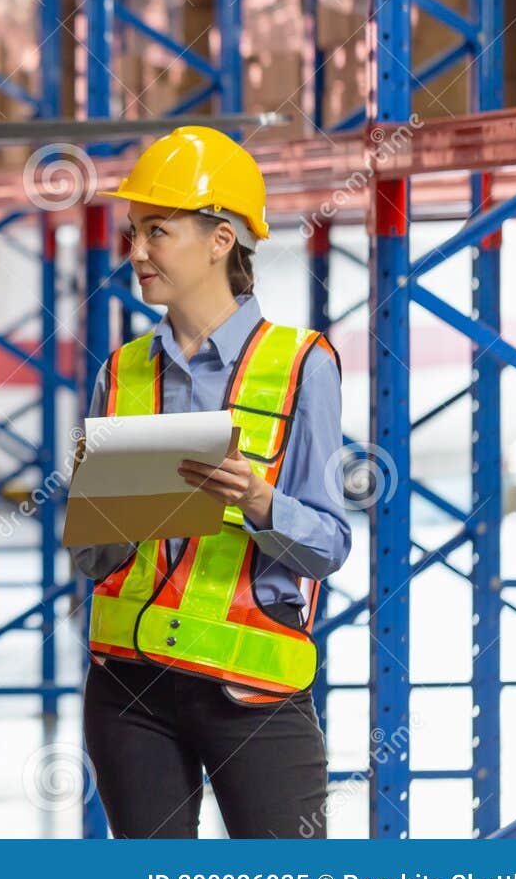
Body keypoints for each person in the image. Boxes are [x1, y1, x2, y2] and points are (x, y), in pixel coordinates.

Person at [73, 126, 350, 839]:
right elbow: (92, 563)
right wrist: (97, 510)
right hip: (128, 686)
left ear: (221, 239)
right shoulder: (123, 372)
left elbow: (329, 545)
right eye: (134, 232)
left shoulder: (301, 366)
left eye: (156, 232)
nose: (135, 253)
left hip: (250, 690)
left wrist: (261, 503)